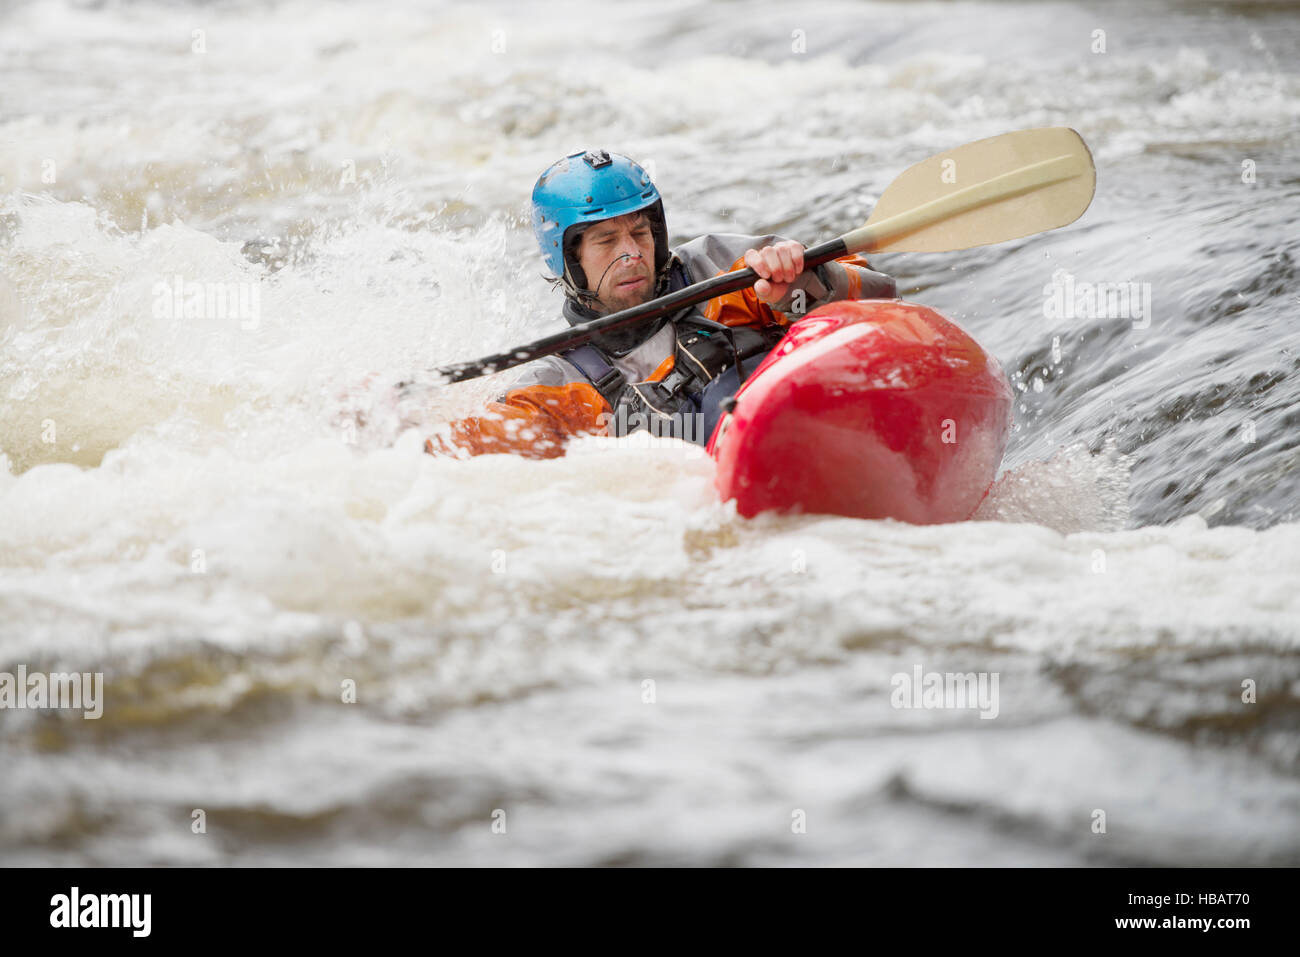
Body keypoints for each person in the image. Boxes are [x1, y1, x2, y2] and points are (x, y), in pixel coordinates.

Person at [424, 148, 896, 459]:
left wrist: (801, 286)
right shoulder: (556, 388)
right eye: (606, 240)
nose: (631, 253)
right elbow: (465, 458)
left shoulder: (725, 268)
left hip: (813, 439)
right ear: (569, 260)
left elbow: (879, 294)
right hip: (718, 507)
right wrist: (387, 426)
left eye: (639, 233)